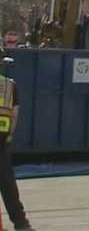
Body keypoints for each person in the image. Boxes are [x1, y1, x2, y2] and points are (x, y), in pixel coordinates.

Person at [0, 55, 31, 230]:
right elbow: (14, 115)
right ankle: (21, 223)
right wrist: (9, 138)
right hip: (1, 142)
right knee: (8, 185)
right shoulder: (10, 85)